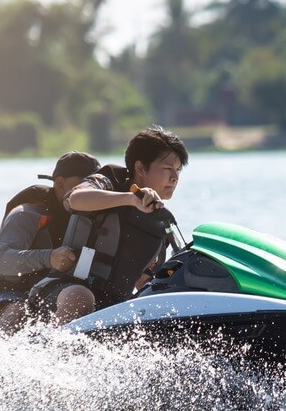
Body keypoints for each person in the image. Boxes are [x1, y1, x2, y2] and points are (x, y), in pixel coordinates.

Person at [27, 126, 188, 320]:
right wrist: (131, 199)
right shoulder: (108, 180)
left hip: (112, 306)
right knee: (81, 298)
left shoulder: (161, 220)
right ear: (140, 168)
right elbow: (74, 199)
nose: (175, 178)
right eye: (167, 168)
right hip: (62, 290)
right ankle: (54, 349)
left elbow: (146, 281)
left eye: (178, 170)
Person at [0, 150, 100, 333]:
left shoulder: (92, 217)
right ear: (59, 184)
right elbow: (2, 261)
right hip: (8, 294)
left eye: (94, 186)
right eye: (84, 185)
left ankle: (56, 348)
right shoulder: (26, 214)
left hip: (50, 292)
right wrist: (49, 257)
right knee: (18, 312)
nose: (89, 191)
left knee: (82, 298)